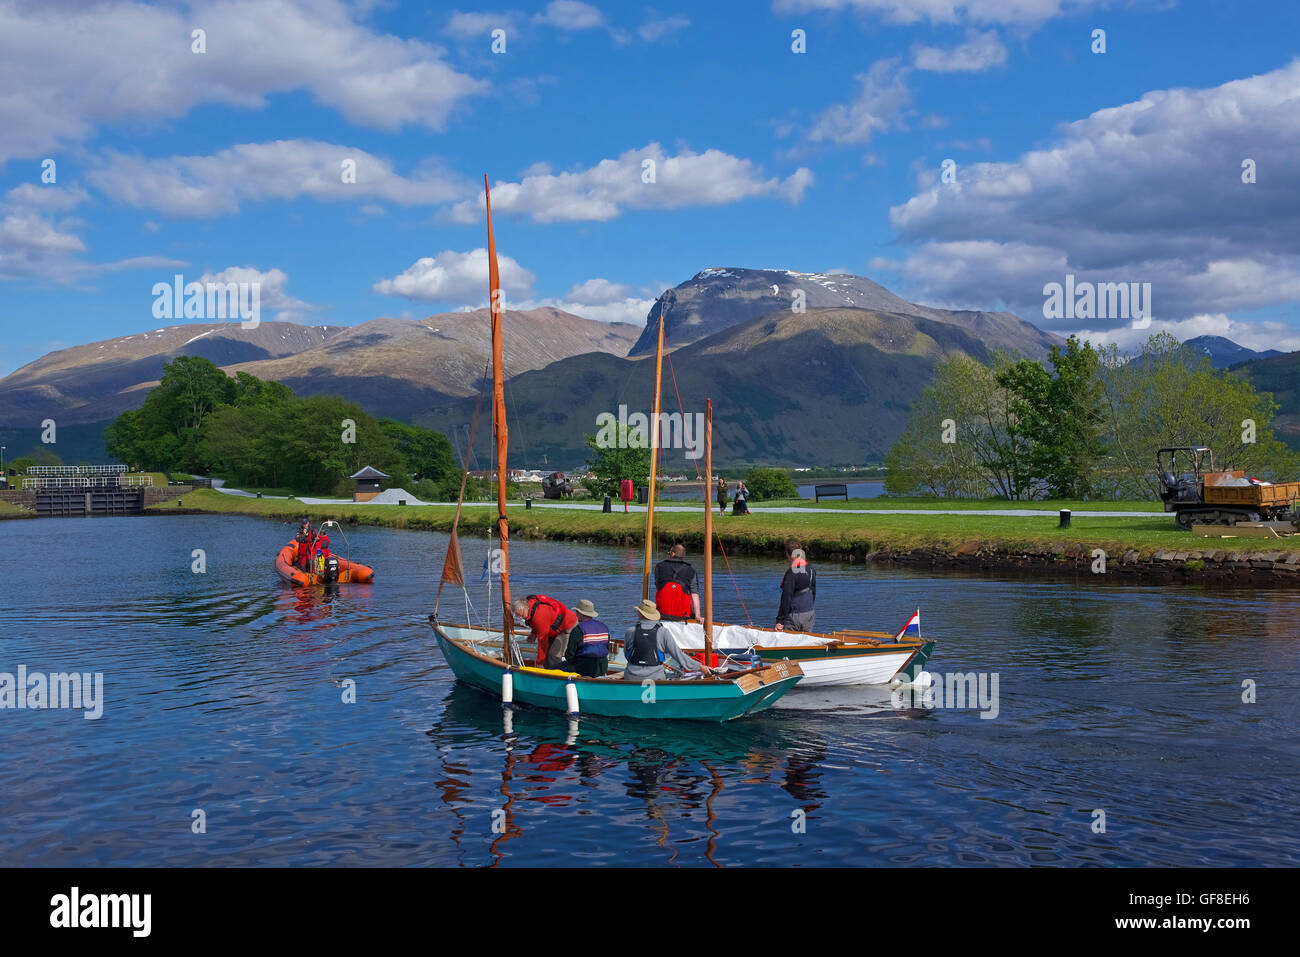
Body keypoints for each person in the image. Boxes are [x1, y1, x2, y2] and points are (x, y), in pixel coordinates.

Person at [622, 599, 713, 681]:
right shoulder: (663, 632)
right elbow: (679, 656)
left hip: (631, 677)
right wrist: (700, 667)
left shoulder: (630, 631)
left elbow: (627, 654)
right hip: (655, 678)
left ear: (640, 614)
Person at [512, 594, 578, 669]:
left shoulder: (540, 615)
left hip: (567, 626)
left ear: (526, 607)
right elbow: (534, 622)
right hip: (553, 627)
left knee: (553, 655)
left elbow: (542, 642)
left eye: (522, 615)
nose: (521, 618)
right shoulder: (530, 607)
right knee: (546, 655)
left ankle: (556, 677)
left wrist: (539, 662)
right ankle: (547, 672)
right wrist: (533, 633)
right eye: (518, 616)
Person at [561, 599, 610, 677]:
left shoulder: (577, 629)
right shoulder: (604, 627)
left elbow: (570, 655)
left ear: (582, 614)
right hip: (602, 666)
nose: (576, 614)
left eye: (577, 612)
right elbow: (607, 647)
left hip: (584, 667)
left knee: (555, 668)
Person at [653, 543, 701, 620]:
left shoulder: (659, 566)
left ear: (672, 553)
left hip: (661, 614)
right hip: (683, 616)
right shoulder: (691, 570)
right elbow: (694, 594)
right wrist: (697, 616)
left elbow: (658, 587)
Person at [775, 544, 816, 633]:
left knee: (787, 644)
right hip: (810, 614)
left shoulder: (791, 573)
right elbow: (813, 592)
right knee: (806, 644)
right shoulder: (811, 569)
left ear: (788, 555)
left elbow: (786, 597)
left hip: (794, 616)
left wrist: (780, 621)